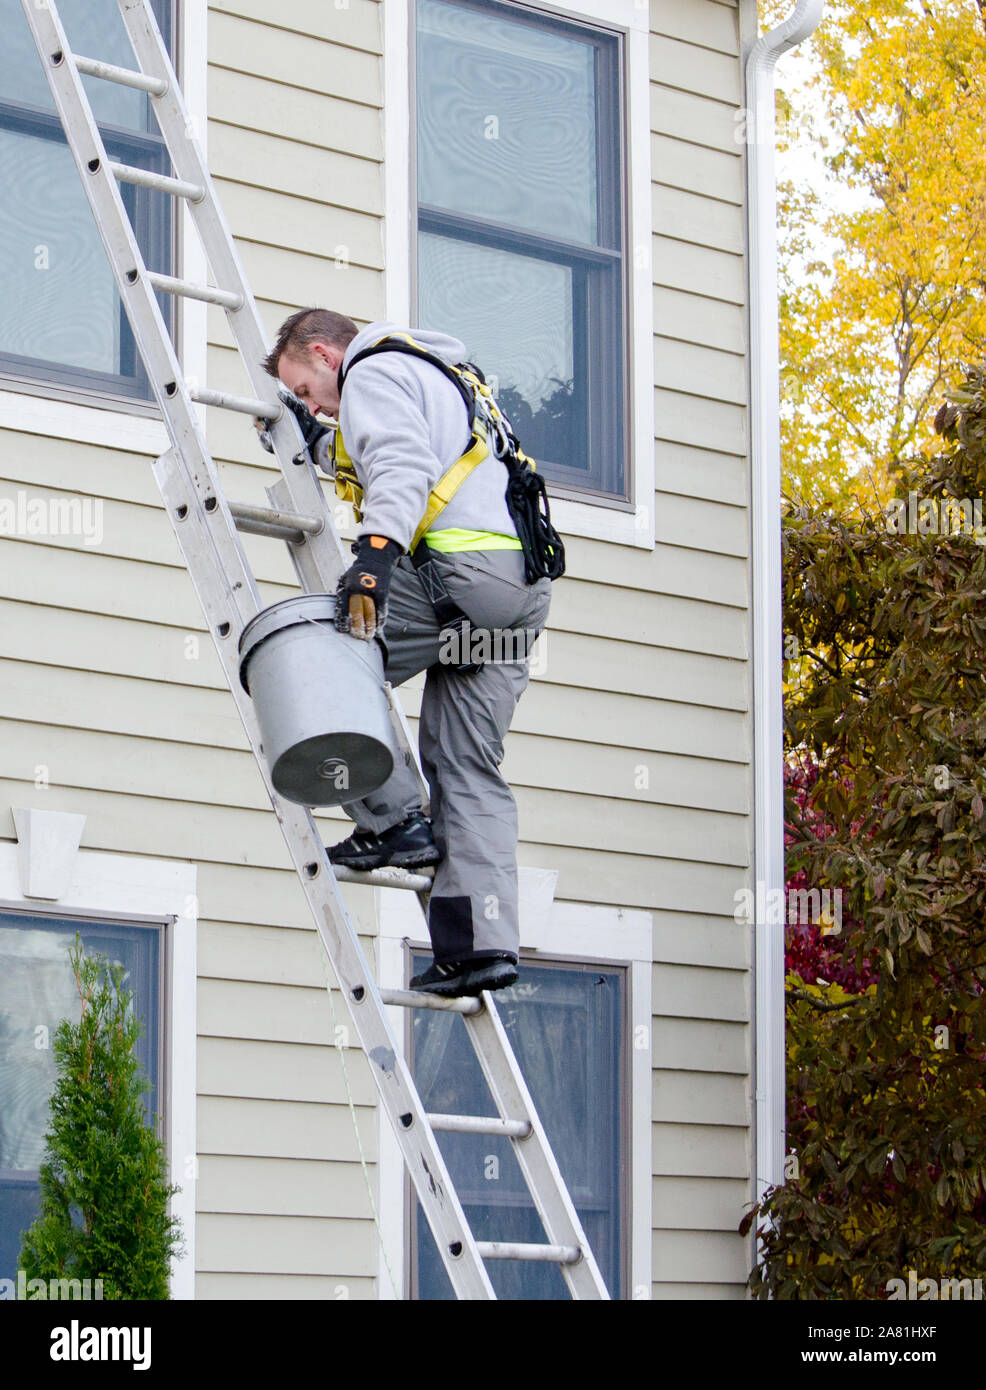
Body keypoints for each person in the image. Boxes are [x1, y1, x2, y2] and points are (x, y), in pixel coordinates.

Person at [260, 309, 552, 998]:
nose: (314, 405)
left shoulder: (372, 368)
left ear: (326, 354)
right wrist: (322, 445)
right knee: (465, 765)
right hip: (518, 602)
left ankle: (393, 822)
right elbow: (411, 451)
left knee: (316, 664)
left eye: (306, 391)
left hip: (464, 581)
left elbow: (399, 461)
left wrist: (374, 560)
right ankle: (478, 948)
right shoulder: (438, 371)